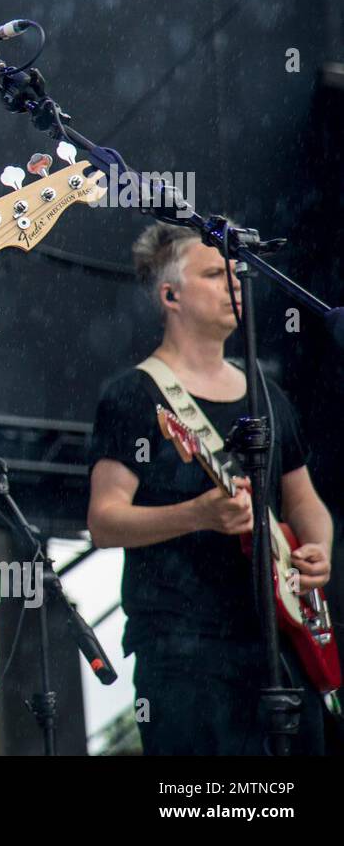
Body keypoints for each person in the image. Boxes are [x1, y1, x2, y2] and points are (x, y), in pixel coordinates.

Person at [86, 222, 334, 755]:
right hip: (185, 651)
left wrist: (318, 552)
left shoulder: (267, 395)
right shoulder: (136, 395)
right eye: (214, 274)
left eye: (236, 274)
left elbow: (305, 501)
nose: (235, 283)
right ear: (170, 295)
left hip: (278, 645)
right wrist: (196, 515)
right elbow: (104, 521)